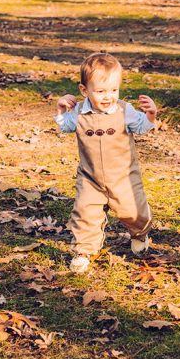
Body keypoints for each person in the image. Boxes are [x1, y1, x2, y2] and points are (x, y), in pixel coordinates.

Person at [55, 52, 157, 274]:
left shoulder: (124, 110)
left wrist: (150, 116)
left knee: (133, 211)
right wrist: (62, 110)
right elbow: (65, 126)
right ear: (84, 90)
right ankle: (84, 251)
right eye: (100, 91)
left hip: (123, 177)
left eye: (113, 90)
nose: (108, 96)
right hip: (90, 177)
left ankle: (140, 234)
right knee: (84, 212)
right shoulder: (80, 112)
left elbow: (141, 127)